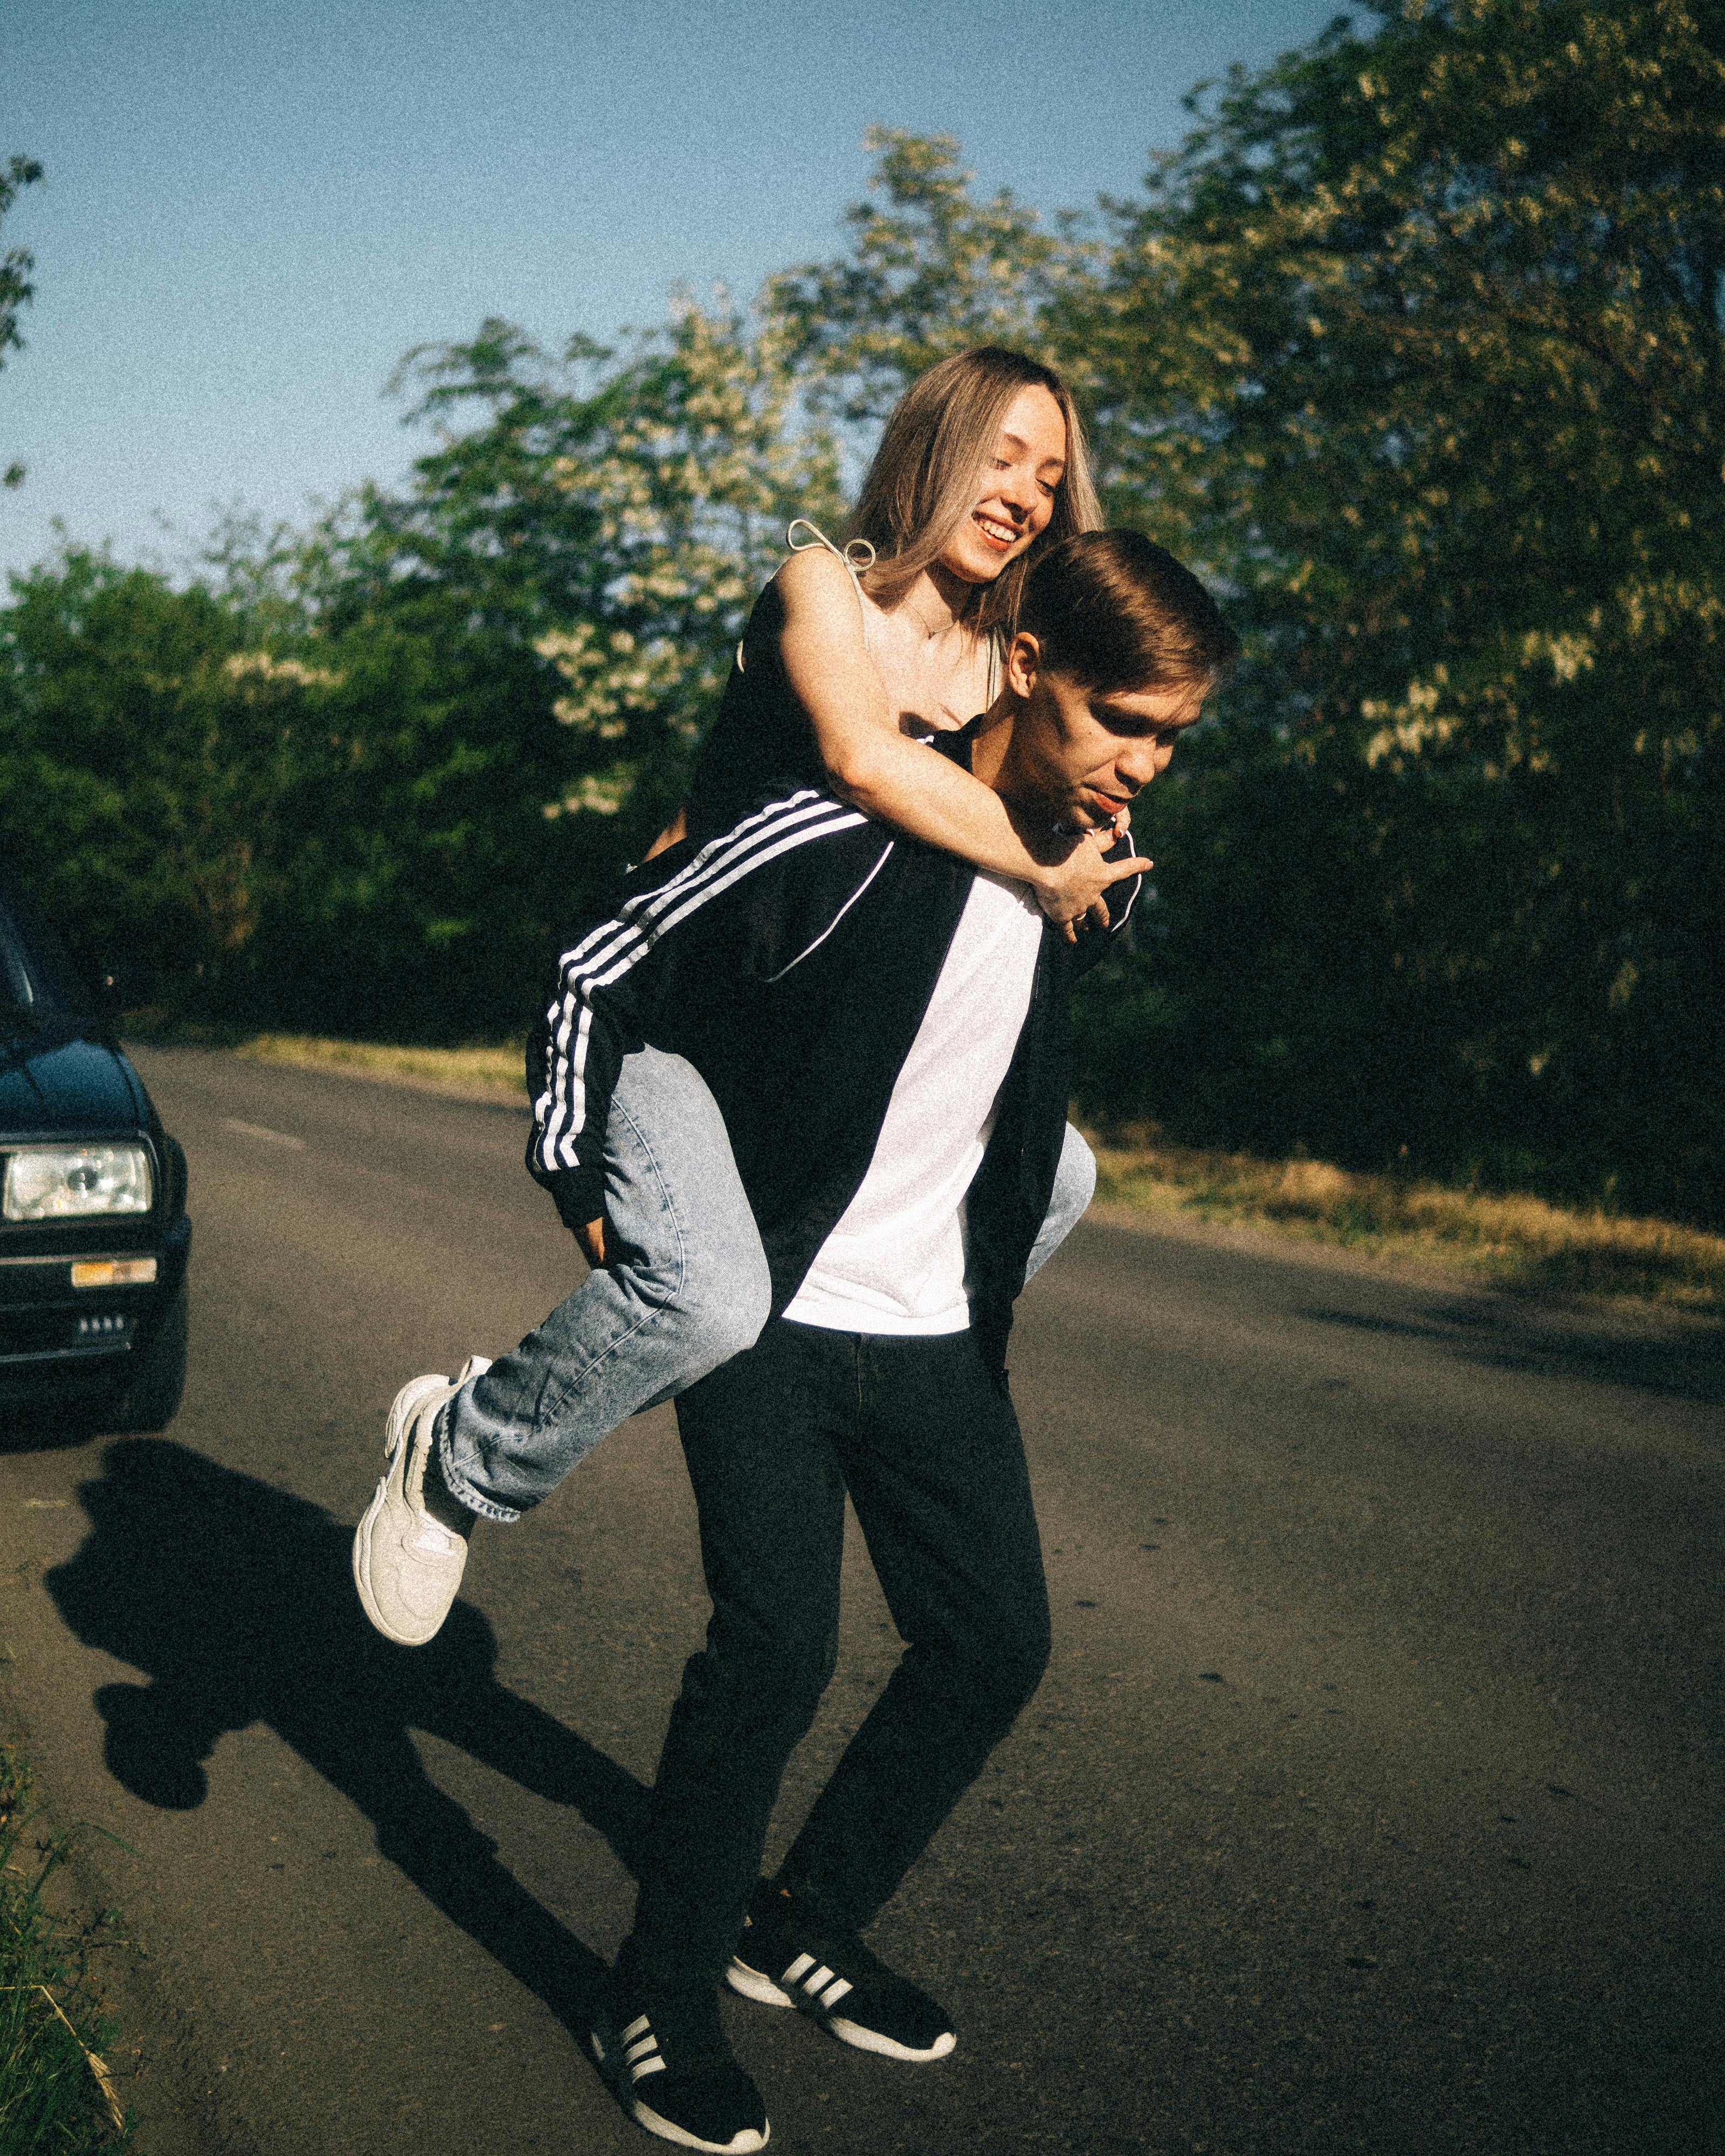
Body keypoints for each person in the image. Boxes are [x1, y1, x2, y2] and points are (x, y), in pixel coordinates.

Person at [530, 529, 1236, 2152]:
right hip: (773, 1309)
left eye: (1176, 738)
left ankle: (803, 1916)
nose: (1149, 764)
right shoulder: (845, 811)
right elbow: (598, 963)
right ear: (1032, 662)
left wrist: (1088, 858)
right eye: (1128, 719)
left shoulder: (1102, 862)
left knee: (991, 1645)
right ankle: (658, 1990)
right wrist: (584, 1179)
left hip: (933, 1334)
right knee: (773, 1652)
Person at [354, 350, 1151, 1647]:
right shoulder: (822, 587)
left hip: (826, 1050)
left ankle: (878, 1366)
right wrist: (1046, 862)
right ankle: (462, 1450)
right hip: (688, 1020)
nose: (1024, 494)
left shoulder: (1013, 657)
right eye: (1002, 457)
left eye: (1053, 479)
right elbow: (859, 759)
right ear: (934, 448)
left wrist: (1095, 851)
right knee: (712, 1295)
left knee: (1050, 1174)